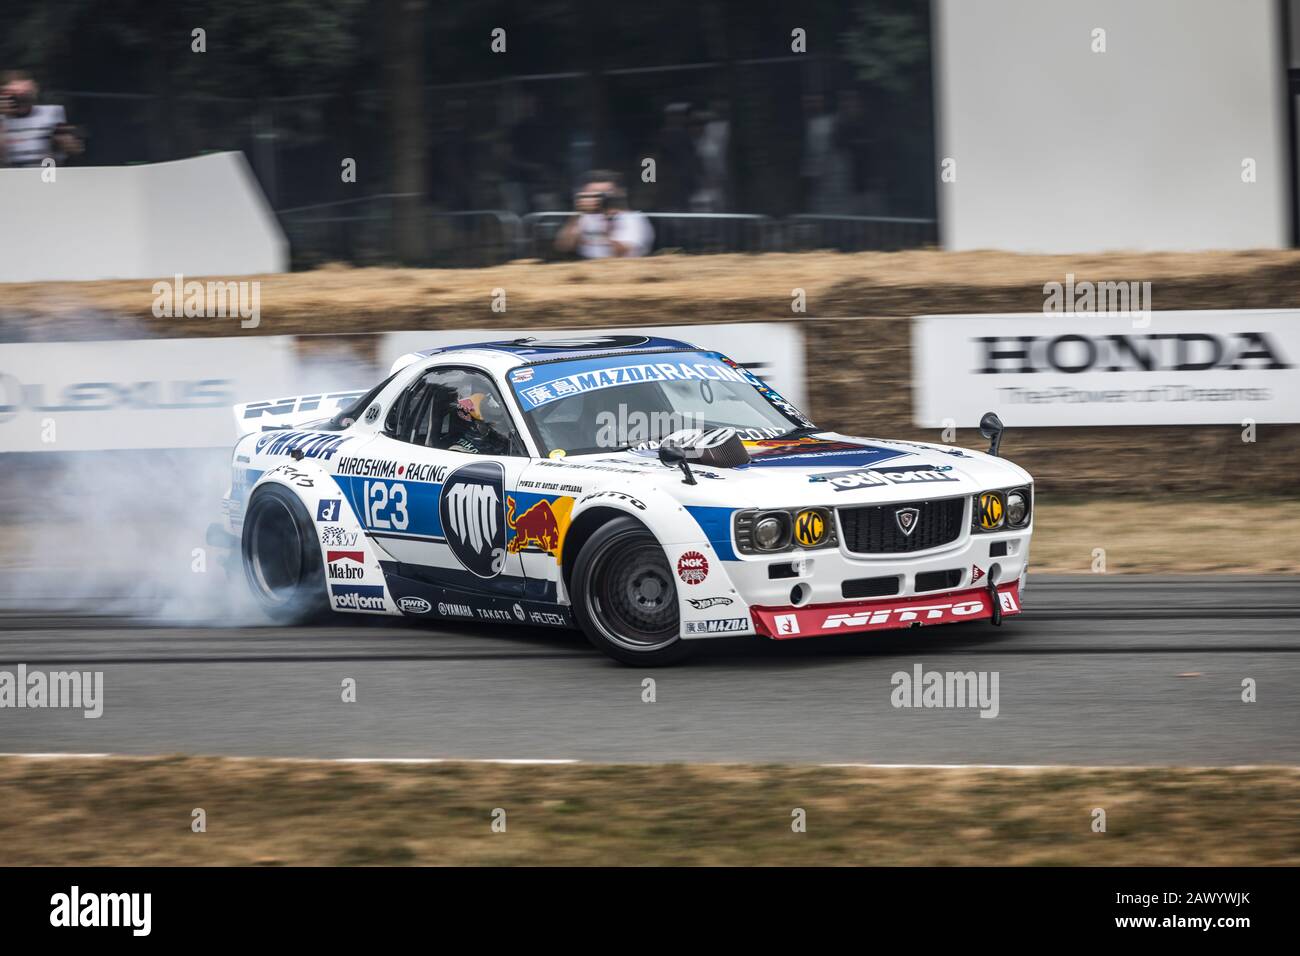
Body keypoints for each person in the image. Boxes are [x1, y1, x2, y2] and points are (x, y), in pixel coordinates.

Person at [555, 170, 654, 259]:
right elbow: (563, 246)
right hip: (586, 268)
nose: (599, 199)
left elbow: (622, 253)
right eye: (593, 194)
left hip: (621, 270)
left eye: (604, 194)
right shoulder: (584, 218)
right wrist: (578, 213)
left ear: (619, 194)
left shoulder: (634, 220)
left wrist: (607, 220)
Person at [0, 71, 81, 167]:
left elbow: (74, 150)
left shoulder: (52, 113)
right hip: (12, 176)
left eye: (25, 95)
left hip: (46, 175)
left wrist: (65, 143)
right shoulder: (3, 120)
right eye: (15, 96)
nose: (21, 100)